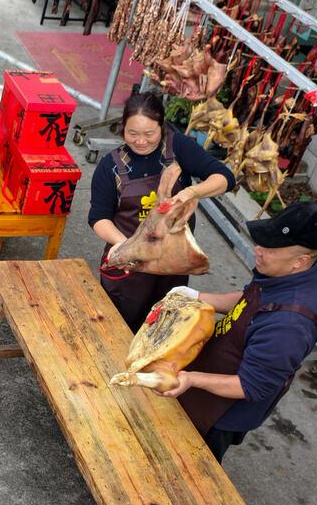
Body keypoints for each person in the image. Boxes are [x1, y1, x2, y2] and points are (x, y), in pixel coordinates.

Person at [156, 202, 317, 462]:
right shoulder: (281, 274)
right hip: (212, 371)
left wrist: (192, 380)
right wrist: (196, 297)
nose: (258, 250)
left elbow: (250, 385)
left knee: (188, 466)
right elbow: (249, 300)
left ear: (301, 260)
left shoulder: (289, 326)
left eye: (270, 248)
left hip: (222, 412)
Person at [89, 91, 235, 331]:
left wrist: (192, 192)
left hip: (173, 261)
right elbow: (99, 217)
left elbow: (225, 177)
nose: (141, 141)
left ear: (162, 126)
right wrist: (128, 246)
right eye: (132, 133)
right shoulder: (110, 166)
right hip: (130, 266)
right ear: (122, 127)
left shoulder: (177, 147)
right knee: (116, 328)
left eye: (150, 133)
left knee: (161, 325)